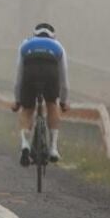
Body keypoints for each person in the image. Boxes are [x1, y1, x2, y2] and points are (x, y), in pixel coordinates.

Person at [12, 22, 71, 165]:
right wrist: (63, 102)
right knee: (52, 105)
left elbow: (18, 76)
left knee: (27, 110)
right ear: (53, 36)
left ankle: (25, 145)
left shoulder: (25, 44)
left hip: (30, 73)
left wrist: (18, 100)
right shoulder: (58, 46)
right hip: (50, 73)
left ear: (34, 34)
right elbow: (64, 78)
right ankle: (53, 148)